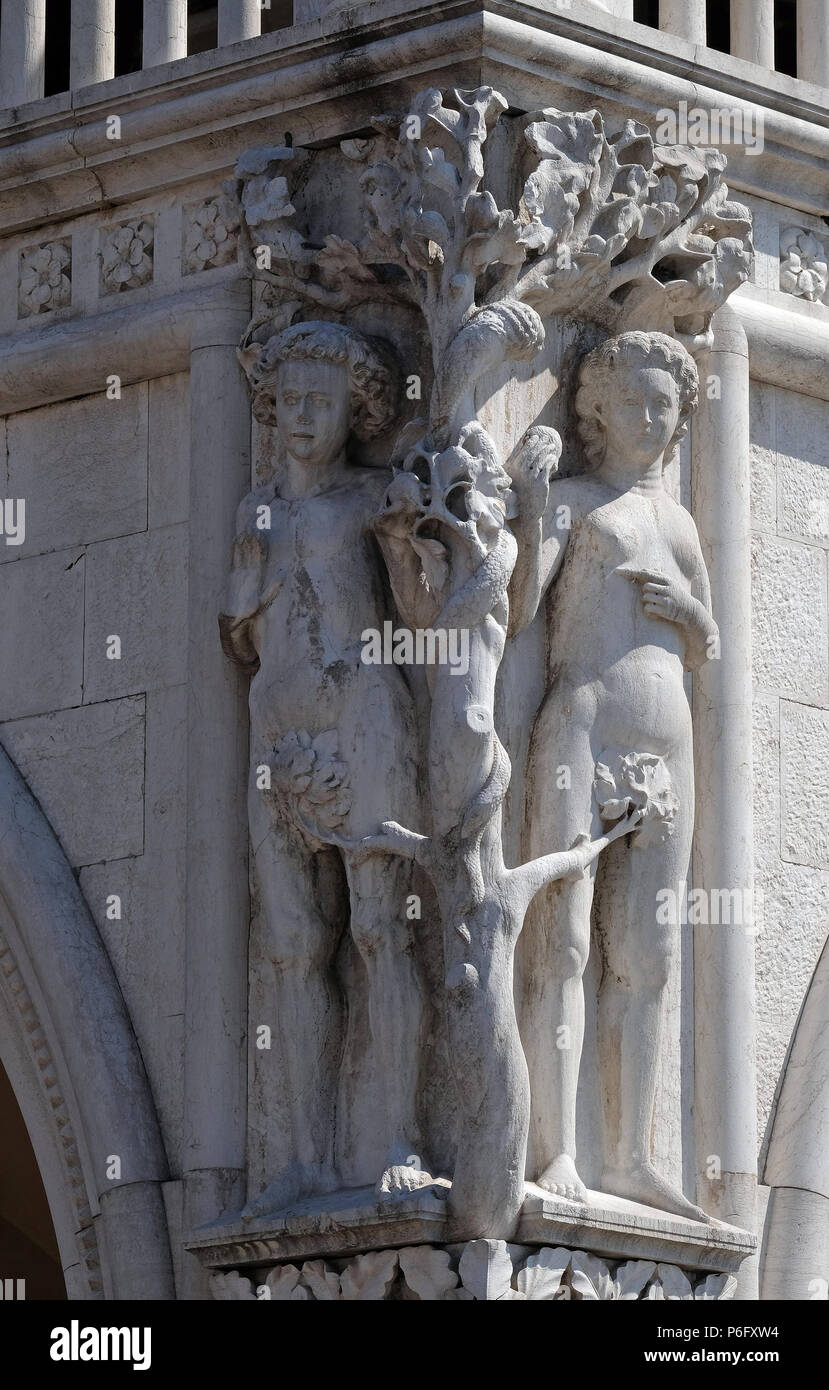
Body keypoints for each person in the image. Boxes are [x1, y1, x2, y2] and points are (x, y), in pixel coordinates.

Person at [221, 321, 430, 1216]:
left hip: (364, 722)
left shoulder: (373, 497)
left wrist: (416, 532)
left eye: (321, 401)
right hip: (279, 737)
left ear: (357, 412)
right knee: (294, 946)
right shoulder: (254, 513)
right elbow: (237, 633)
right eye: (287, 401)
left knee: (381, 931)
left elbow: (423, 621)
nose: (300, 416)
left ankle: (400, 1139)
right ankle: (305, 1157)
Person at [509, 331, 717, 1220]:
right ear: (596, 410)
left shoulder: (679, 523)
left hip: (668, 744)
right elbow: (519, 610)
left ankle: (629, 1153)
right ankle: (557, 1148)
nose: (645, 417)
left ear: (677, 422)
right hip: (583, 728)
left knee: (649, 954)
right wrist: (523, 500)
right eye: (629, 401)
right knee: (561, 940)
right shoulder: (575, 504)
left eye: (660, 405)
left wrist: (687, 612)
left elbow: (708, 645)